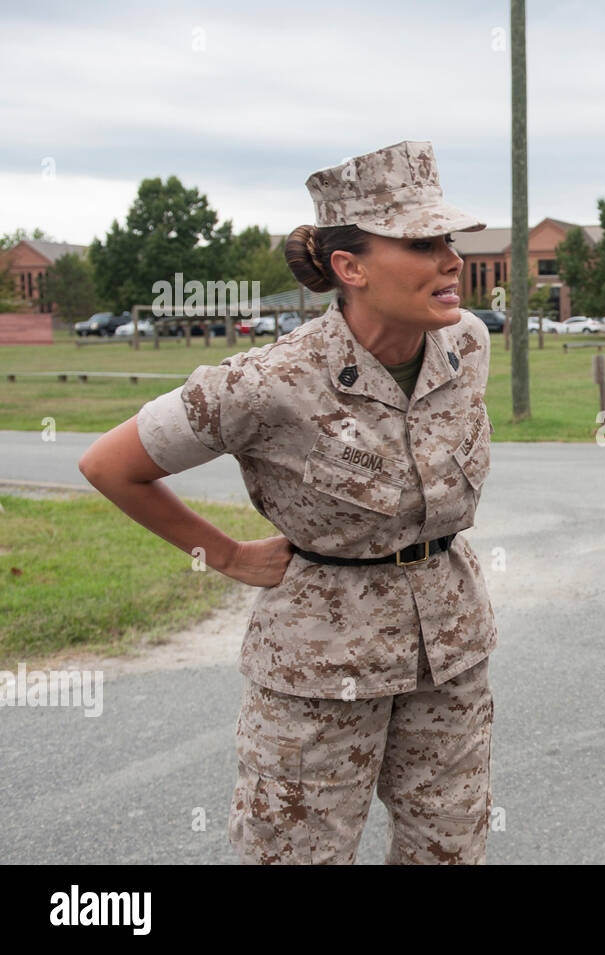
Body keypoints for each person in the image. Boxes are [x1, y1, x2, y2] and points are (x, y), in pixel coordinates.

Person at [78, 140, 498, 864]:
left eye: (449, 240)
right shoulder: (267, 381)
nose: (451, 260)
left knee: (451, 848)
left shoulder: (467, 344)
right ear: (350, 266)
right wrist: (230, 556)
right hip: (318, 670)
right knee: (298, 854)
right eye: (422, 243)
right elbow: (110, 464)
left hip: (451, 654)